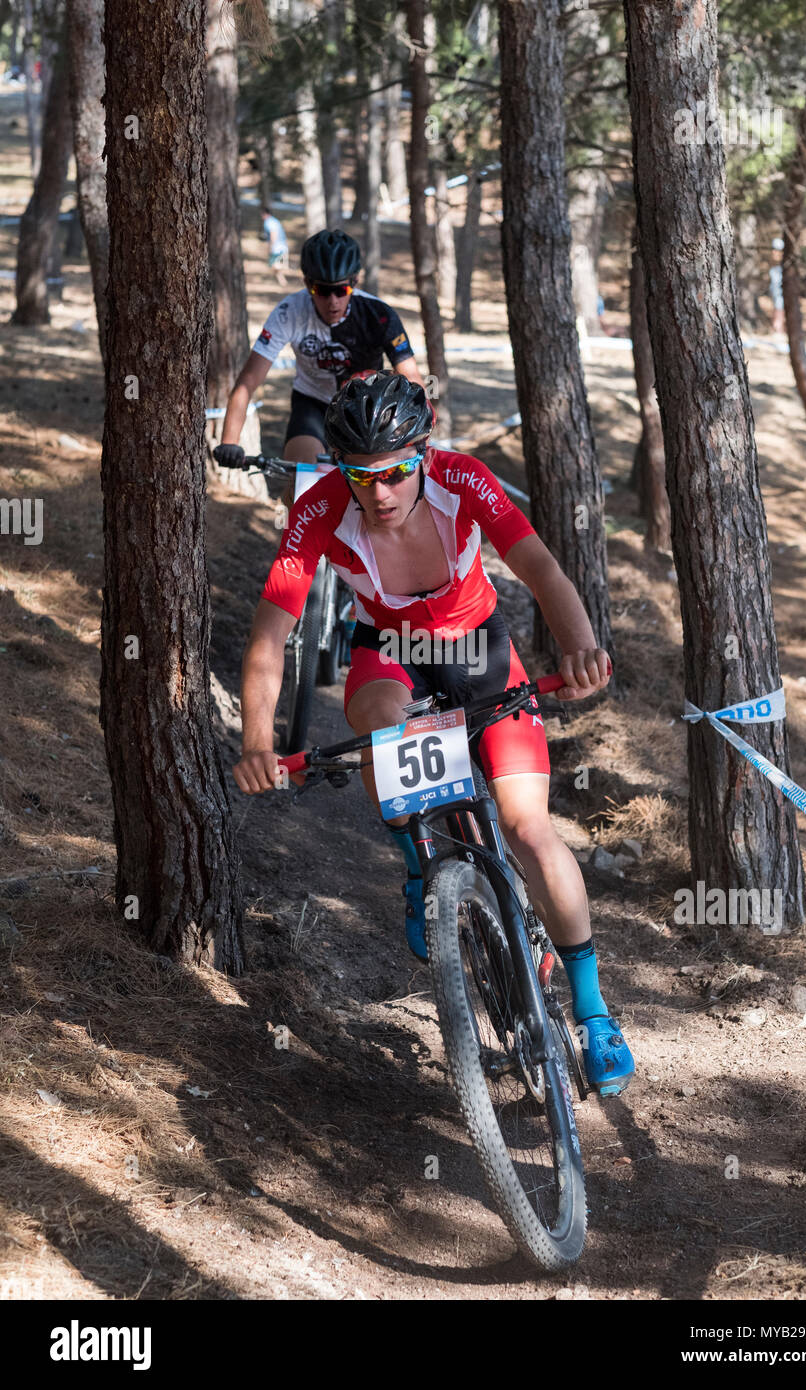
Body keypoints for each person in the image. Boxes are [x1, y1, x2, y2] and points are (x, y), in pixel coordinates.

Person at [232, 371, 635, 1098]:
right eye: (361, 477)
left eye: (392, 474)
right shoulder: (323, 506)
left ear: (421, 454)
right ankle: (422, 868)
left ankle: (595, 1012)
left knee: (528, 829)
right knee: (382, 727)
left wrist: (576, 645)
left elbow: (538, 566)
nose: (377, 494)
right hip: (388, 653)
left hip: (478, 649)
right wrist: (257, 739)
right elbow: (271, 628)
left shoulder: (462, 479)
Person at [214, 229, 425, 503]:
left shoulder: (379, 315)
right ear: (306, 283)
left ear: (355, 282)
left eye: (341, 290)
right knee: (302, 486)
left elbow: (412, 378)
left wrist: (422, 434)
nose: (332, 300)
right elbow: (247, 383)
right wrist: (230, 441)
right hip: (312, 404)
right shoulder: (289, 312)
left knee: (375, 493)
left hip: (367, 411)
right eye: (322, 290)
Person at [261, 206, 289, 288]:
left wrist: (271, 246)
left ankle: (282, 281)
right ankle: (281, 281)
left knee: (276, 265)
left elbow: (273, 233)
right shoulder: (275, 221)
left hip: (277, 247)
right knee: (276, 266)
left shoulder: (269, 222)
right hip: (282, 246)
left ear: (265, 214)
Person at [770, 236, 785, 335]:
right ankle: (777, 328)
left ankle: (778, 328)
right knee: (777, 307)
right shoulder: (773, 265)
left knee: (780, 308)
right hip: (775, 290)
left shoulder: (782, 265)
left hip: (780, 290)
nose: (774, 252)